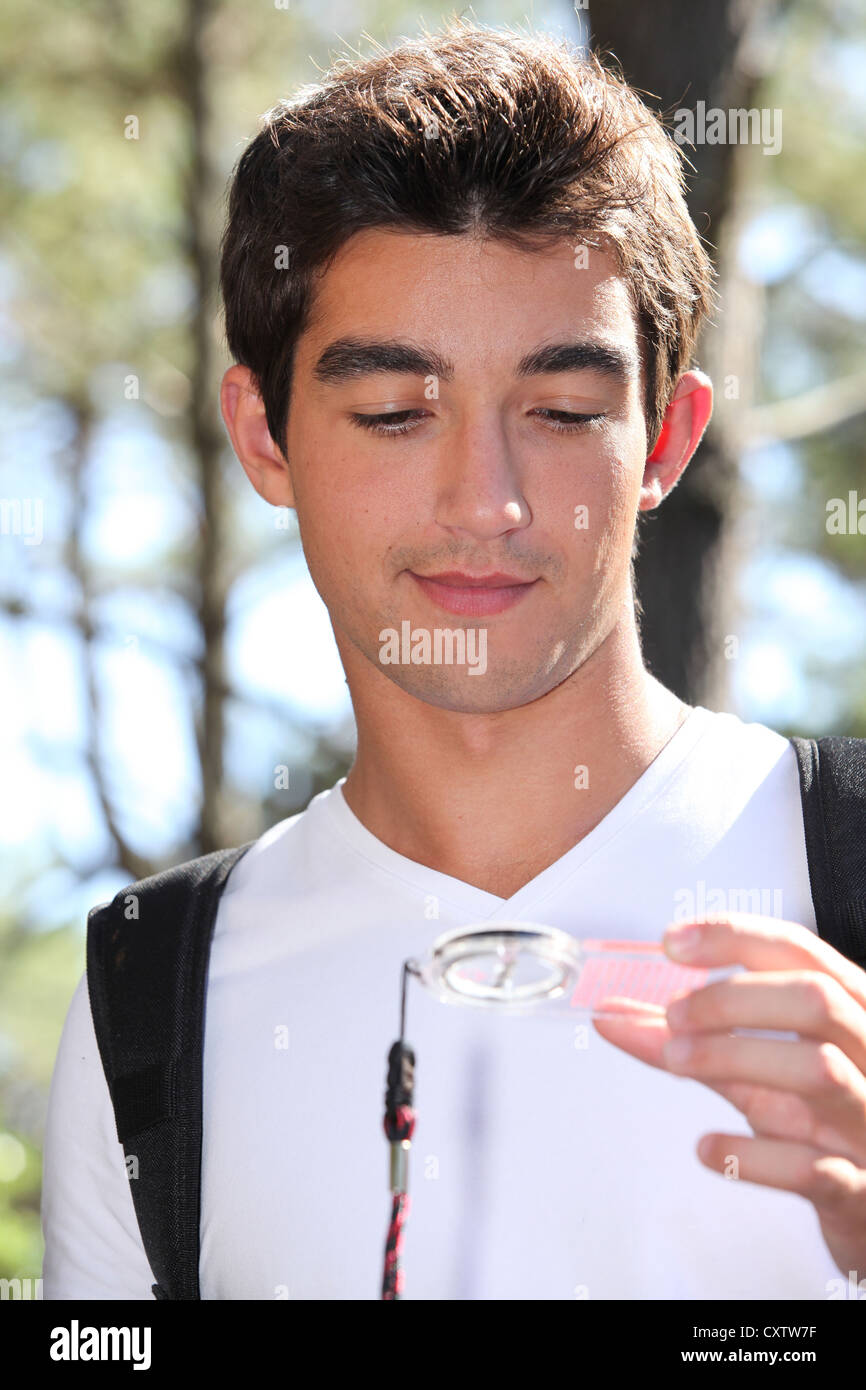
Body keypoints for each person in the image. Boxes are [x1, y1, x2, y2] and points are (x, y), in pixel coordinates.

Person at [42, 18, 866, 1300]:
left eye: (560, 412)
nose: (482, 500)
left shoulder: (850, 872)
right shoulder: (147, 997)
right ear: (262, 435)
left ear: (663, 440)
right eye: (392, 412)